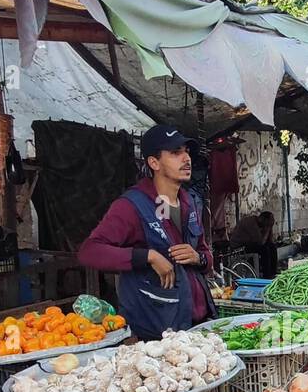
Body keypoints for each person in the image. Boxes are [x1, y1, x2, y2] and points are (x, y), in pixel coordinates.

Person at [79, 125, 215, 341]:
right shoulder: (132, 205)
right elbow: (90, 251)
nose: (186, 158)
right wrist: (147, 256)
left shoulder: (188, 201)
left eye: (186, 151)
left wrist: (198, 258)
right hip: (156, 333)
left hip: (196, 324)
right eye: (175, 153)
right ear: (154, 163)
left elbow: (207, 257)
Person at [229, 211, 277, 279]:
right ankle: (267, 275)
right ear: (263, 219)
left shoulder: (261, 224)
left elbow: (270, 241)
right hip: (239, 247)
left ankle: (273, 273)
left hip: (249, 244)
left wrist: (270, 228)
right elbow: (260, 242)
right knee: (264, 250)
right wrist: (268, 228)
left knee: (272, 247)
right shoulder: (251, 223)